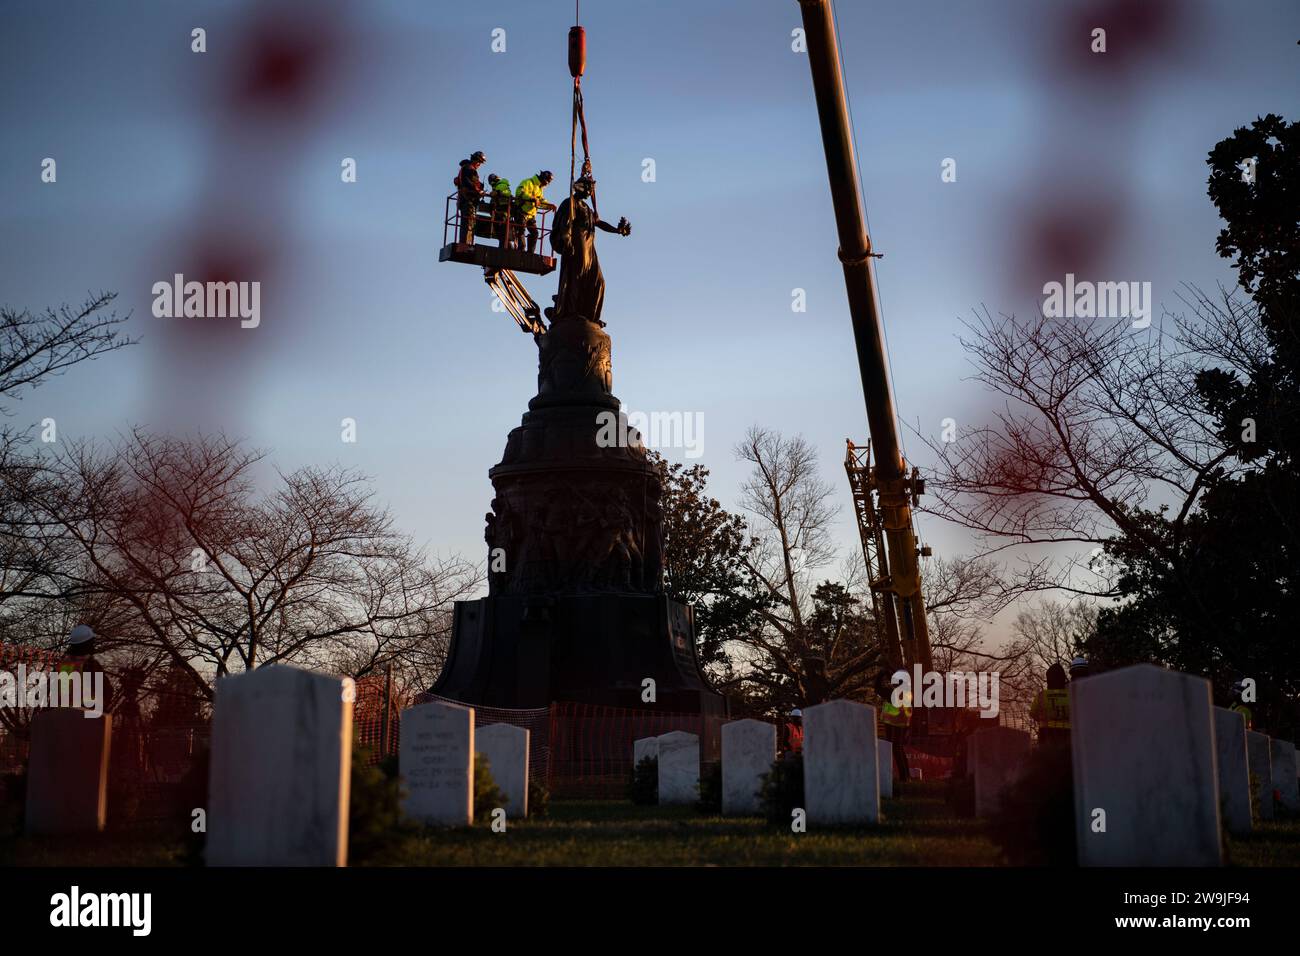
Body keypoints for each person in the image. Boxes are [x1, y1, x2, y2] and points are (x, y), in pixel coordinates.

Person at [548, 175, 630, 325]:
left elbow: (598, 223)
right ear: (580, 187)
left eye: (592, 189)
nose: (591, 192)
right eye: (589, 188)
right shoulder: (570, 203)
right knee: (575, 278)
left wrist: (617, 230)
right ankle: (571, 312)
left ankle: (591, 316)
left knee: (598, 282)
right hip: (577, 245)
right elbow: (564, 225)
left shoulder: (586, 207)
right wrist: (567, 242)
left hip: (589, 247)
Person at [58, 623, 113, 715]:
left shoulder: (64, 665)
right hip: (85, 716)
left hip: (62, 715)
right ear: (88, 644)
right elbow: (107, 691)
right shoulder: (90, 665)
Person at [875, 670, 912, 784]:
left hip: (893, 721)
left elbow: (877, 688)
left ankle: (904, 777)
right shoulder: (907, 692)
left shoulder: (891, 691)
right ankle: (906, 776)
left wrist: (881, 673)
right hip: (901, 722)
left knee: (894, 747)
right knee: (898, 748)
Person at [515, 170, 556, 253]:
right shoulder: (528, 182)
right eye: (548, 181)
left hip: (530, 215)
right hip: (521, 212)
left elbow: (541, 201)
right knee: (521, 230)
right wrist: (532, 198)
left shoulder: (539, 188)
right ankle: (521, 251)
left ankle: (530, 253)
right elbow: (519, 193)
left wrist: (549, 205)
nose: (548, 184)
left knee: (535, 233)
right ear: (544, 178)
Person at [1030, 662, 1070, 746]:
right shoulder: (1071, 695)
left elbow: (1033, 713)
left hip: (1046, 735)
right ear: (1062, 678)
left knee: (1047, 757)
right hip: (1067, 735)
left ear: (1048, 679)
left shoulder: (1041, 696)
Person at [454, 150, 487, 244]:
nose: (479, 165)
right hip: (468, 200)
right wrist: (478, 190)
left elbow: (470, 182)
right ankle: (466, 245)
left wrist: (479, 186)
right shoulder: (469, 169)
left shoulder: (467, 168)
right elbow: (467, 182)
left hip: (466, 200)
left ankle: (466, 243)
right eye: (479, 162)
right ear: (476, 160)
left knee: (467, 222)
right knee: (468, 223)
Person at [486, 173, 517, 248]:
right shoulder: (498, 185)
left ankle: (504, 246)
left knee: (502, 230)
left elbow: (507, 193)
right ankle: (506, 246)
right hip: (501, 211)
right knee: (501, 231)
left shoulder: (501, 185)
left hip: (503, 211)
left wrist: (498, 192)